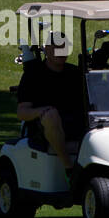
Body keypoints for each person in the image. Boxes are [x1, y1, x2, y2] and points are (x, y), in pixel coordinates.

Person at [16, 32, 85, 178]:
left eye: (64, 47)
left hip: (73, 123)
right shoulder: (34, 74)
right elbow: (22, 112)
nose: (61, 51)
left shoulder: (76, 73)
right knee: (52, 115)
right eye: (56, 47)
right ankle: (69, 169)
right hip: (43, 127)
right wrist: (42, 111)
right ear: (46, 50)